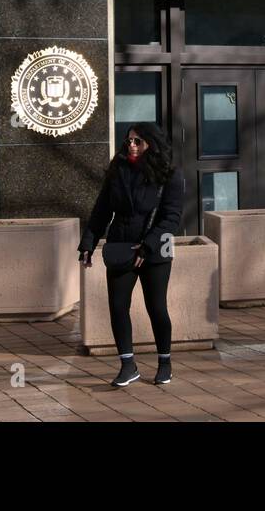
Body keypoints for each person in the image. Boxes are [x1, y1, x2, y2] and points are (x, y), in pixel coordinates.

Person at [79, 122, 184, 387]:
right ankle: (128, 365)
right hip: (121, 247)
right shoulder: (118, 170)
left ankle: (165, 362)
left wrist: (148, 245)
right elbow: (102, 210)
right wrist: (88, 243)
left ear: (152, 144)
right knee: (117, 307)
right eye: (129, 141)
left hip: (154, 250)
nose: (132, 146)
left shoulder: (168, 174)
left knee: (156, 308)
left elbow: (171, 217)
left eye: (138, 141)